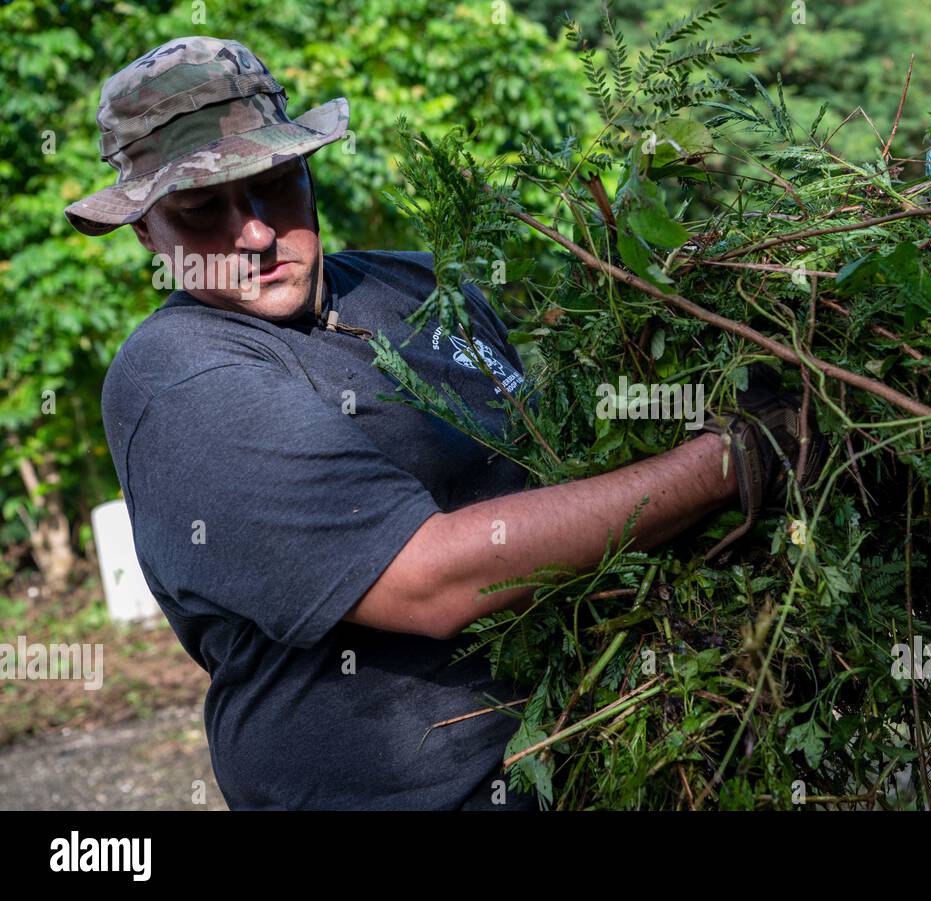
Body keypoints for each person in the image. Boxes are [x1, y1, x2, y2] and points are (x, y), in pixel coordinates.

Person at [67, 36, 820, 810]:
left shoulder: (415, 283)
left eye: (277, 185)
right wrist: (726, 462)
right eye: (201, 212)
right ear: (146, 232)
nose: (255, 233)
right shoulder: (180, 376)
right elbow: (431, 579)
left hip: (591, 757)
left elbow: (562, 461)